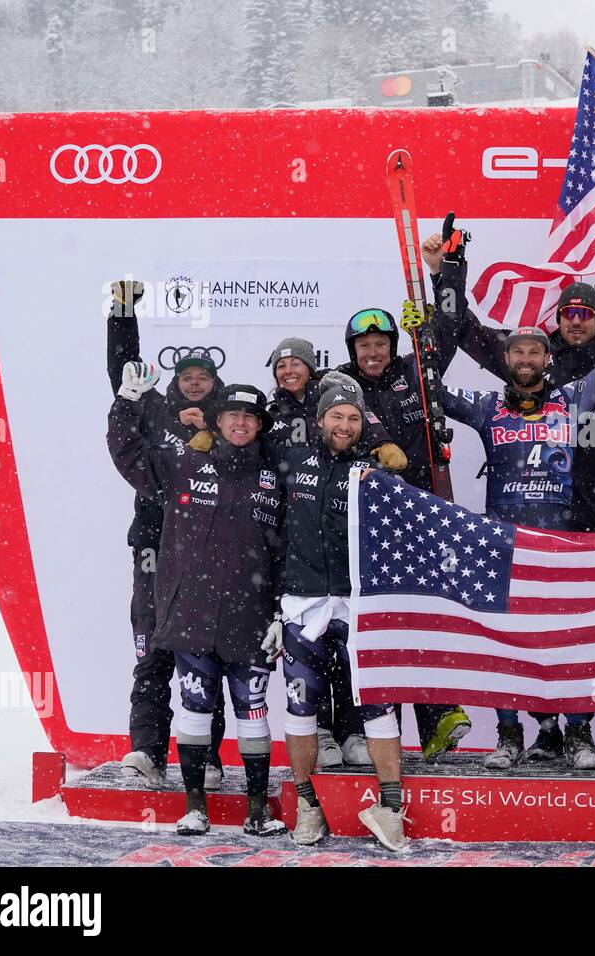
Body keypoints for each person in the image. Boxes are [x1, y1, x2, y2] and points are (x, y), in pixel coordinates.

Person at [442, 249, 595, 764]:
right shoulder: (488, 406)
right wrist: (432, 319)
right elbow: (427, 385)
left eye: (533, 354)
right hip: (506, 544)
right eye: (515, 354)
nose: (524, 361)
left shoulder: (573, 400)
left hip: (563, 543)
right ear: (508, 361)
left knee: (571, 640)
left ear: (547, 358)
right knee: (508, 643)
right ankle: (510, 735)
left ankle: (580, 734)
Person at [108, 374, 287, 837]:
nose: (241, 423)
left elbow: (288, 551)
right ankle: (194, 807)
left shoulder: (275, 478)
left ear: (259, 424)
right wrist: (126, 404)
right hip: (192, 619)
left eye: (249, 416)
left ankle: (256, 811)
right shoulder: (183, 464)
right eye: (233, 415)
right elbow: (129, 456)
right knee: (193, 709)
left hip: (250, 621)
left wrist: (282, 611)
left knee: (253, 713)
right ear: (219, 421)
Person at [266, 381, 411, 848]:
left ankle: (391, 808)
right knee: (300, 707)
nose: (344, 425)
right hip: (303, 605)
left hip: (358, 605)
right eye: (336, 416)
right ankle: (309, 806)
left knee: (377, 705)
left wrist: (390, 480)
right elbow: (242, 440)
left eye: (352, 417)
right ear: (320, 420)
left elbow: (405, 526)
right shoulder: (291, 461)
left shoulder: (373, 471)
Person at [336, 300, 473, 762]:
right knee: (378, 623)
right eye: (364, 345)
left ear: (392, 345)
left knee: (425, 614)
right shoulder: (340, 382)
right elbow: (329, 423)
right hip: (369, 521)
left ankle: (438, 717)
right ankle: (376, 728)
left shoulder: (416, 367)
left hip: (423, 513)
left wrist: (446, 275)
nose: (372, 352)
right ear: (352, 349)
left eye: (380, 344)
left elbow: (451, 329)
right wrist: (378, 442)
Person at [104, 280, 227, 790]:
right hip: (154, 546)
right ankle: (146, 751)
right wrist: (121, 311)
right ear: (175, 383)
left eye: (203, 377)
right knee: (152, 648)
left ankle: (210, 758)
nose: (195, 384)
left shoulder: (231, 420)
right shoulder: (152, 409)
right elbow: (123, 370)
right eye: (187, 377)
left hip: (205, 553)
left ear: (215, 383)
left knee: (206, 654)